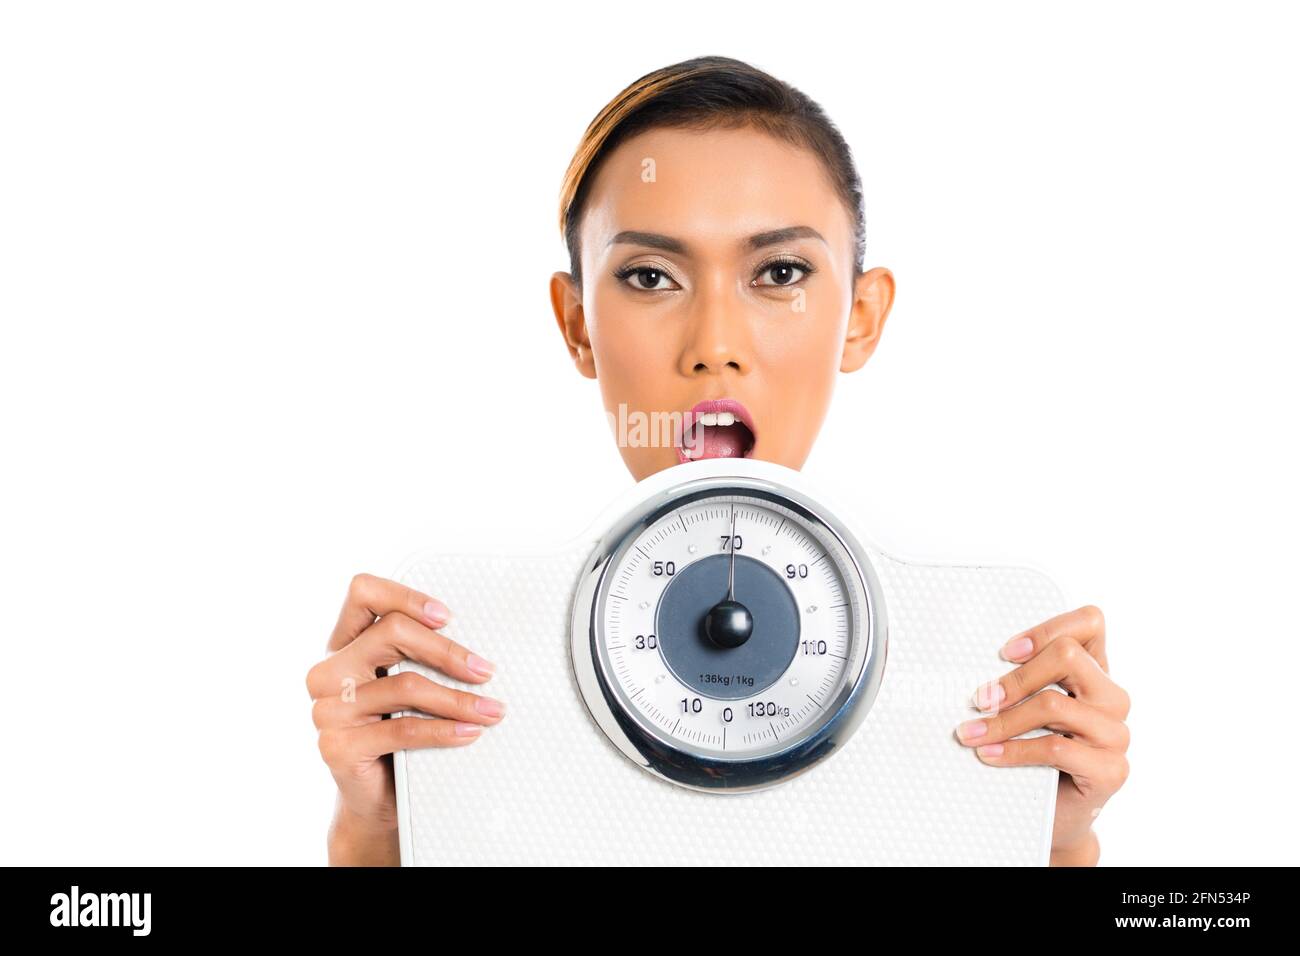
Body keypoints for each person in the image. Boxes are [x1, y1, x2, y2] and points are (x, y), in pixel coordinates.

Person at [305, 55, 1131, 867]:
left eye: (779, 273)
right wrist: (379, 834)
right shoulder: (460, 677)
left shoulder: (984, 673)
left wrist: (1048, 842)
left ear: (861, 316)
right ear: (578, 325)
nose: (715, 349)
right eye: (651, 275)